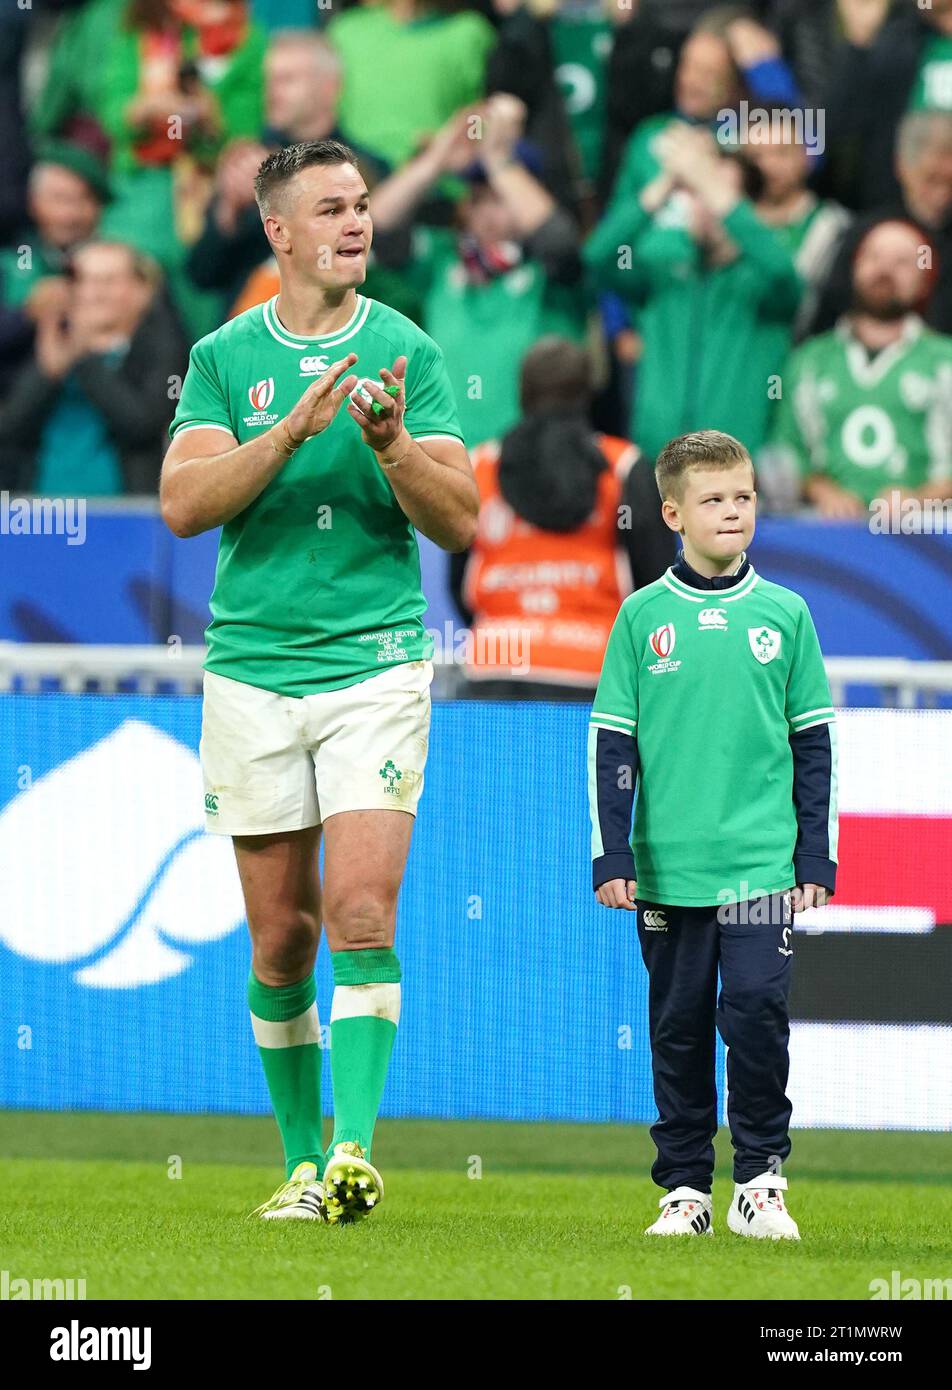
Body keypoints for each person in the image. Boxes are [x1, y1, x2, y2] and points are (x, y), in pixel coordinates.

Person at [160, 138, 477, 1223]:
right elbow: (185, 502)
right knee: (281, 937)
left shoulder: (407, 353)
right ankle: (298, 1165)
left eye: (362, 205)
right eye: (331, 208)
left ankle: (350, 1151)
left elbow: (461, 519)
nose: (356, 223)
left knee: (358, 910)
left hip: (374, 665)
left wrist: (390, 445)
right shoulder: (221, 357)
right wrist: (288, 433)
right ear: (278, 231)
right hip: (251, 670)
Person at [587, 428, 838, 1240]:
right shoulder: (641, 618)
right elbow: (613, 745)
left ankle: (761, 1180)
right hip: (667, 871)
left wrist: (813, 852)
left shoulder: (787, 615)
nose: (733, 512)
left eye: (744, 497)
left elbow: (814, 744)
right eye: (714, 499)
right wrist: (613, 851)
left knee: (758, 1010)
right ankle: (687, 1189)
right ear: (672, 513)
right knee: (680, 1025)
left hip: (760, 869)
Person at [458, 335, 673, 697]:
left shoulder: (478, 467)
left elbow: (457, 579)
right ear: (588, 393)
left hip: (493, 670)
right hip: (597, 674)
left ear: (522, 393)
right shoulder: (623, 468)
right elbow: (657, 582)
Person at [371, 94, 586, 448]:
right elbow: (374, 230)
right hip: (444, 457)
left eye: (500, 198)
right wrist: (436, 160)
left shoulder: (553, 276)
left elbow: (559, 242)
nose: (487, 212)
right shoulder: (443, 259)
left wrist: (498, 160)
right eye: (478, 198)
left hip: (527, 464)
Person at [585, 124, 802, 458]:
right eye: (696, 195)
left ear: (743, 209)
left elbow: (785, 274)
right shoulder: (663, 269)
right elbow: (596, 257)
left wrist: (708, 181)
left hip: (734, 468)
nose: (707, 207)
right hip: (659, 463)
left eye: (717, 194)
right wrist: (665, 183)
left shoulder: (764, 283)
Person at [766, 218, 952, 517]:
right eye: (874, 256)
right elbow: (785, 453)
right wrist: (821, 490)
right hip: (827, 536)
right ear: (853, 268)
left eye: (903, 262)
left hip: (930, 543)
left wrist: (922, 499)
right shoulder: (808, 361)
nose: (885, 270)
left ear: (924, 281)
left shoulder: (945, 360)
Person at [0, 239, 184, 494]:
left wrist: (84, 358)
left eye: (108, 281)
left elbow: (142, 426)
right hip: (39, 516)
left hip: (129, 516)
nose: (94, 293)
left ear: (143, 291)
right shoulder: (47, 341)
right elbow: (9, 428)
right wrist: (46, 374)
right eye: (83, 280)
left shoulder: (164, 349)